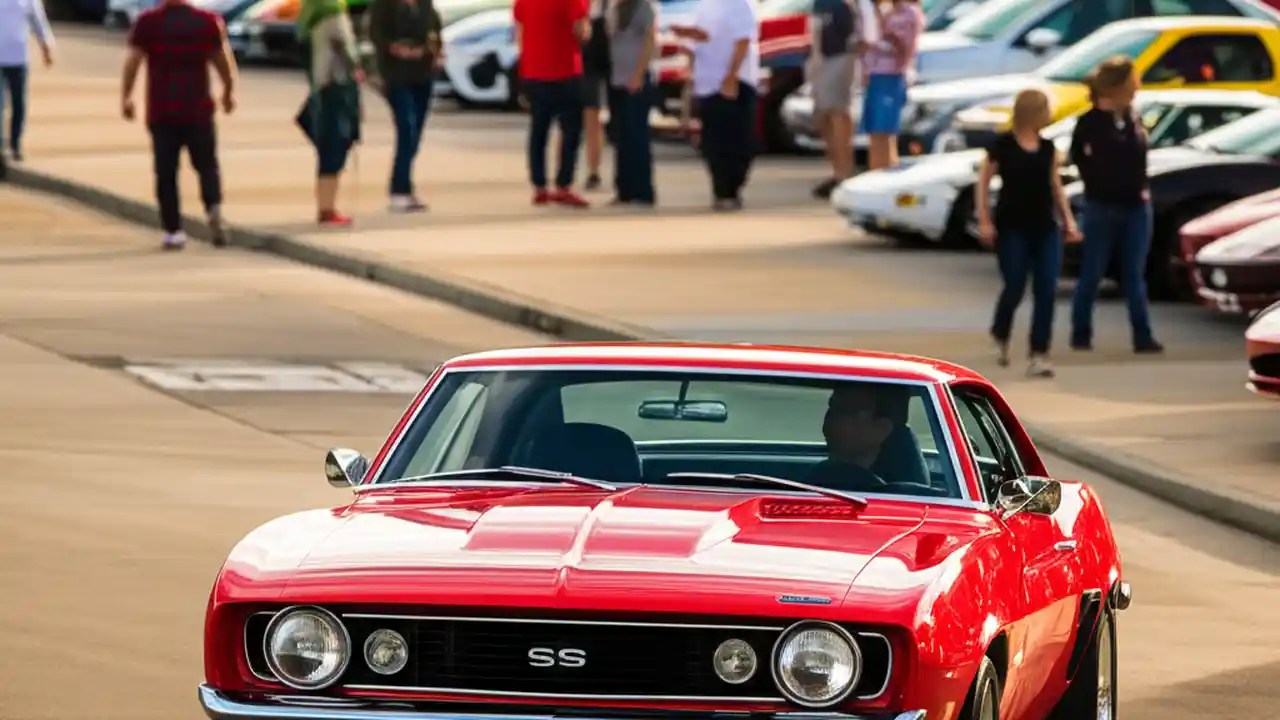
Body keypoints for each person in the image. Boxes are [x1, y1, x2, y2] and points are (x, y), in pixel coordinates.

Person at [975, 88, 1081, 379]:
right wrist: (984, 219)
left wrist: (1068, 221)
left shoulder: (1048, 148)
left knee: (1046, 290)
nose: (1048, 115)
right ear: (1032, 112)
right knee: (1015, 285)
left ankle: (1039, 352)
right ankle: (1000, 333)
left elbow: (1055, 186)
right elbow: (983, 181)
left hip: (1045, 227)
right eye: (1044, 109)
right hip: (1012, 226)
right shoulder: (1002, 145)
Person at [122, 0, 235, 250]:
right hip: (199, 110)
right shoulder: (207, 22)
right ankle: (213, 207)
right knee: (207, 165)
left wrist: (126, 96)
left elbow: (133, 61)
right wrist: (229, 91)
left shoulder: (149, 23)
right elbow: (222, 59)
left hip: (163, 112)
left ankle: (173, 231)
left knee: (166, 173)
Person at [1069, 56, 1163, 354]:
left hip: (1136, 207)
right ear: (1115, 86)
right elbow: (1079, 158)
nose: (1135, 89)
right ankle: (1081, 333)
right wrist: (1095, 184)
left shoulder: (1133, 118)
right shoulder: (1090, 122)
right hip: (1101, 207)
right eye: (1130, 84)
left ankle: (1143, 336)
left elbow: (1139, 157)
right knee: (1092, 271)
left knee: (1134, 274)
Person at [669, 0, 759, 211]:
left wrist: (732, 76)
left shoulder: (740, 4)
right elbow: (704, 36)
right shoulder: (705, 5)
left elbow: (743, 40)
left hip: (734, 83)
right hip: (708, 83)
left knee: (737, 142)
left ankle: (732, 189)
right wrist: (687, 36)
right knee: (712, 143)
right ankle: (720, 191)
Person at [513, 0, 592, 208]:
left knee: (539, 130)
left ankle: (539, 186)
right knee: (570, 131)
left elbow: (519, 29)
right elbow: (581, 31)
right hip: (565, 70)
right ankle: (563, 184)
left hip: (534, 70)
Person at [369, 0, 442, 212]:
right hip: (396, 75)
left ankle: (405, 186)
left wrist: (433, 50)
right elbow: (377, 34)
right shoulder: (384, 5)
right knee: (406, 127)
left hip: (422, 72)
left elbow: (434, 30)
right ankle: (399, 190)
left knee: (416, 131)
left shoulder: (425, 5)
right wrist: (395, 48)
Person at [298, 0, 365, 226]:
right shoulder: (333, 11)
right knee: (335, 146)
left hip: (320, 86)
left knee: (327, 146)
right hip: (336, 85)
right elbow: (346, 47)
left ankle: (325, 206)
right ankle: (327, 209)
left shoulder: (308, 13)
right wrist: (359, 67)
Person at [805, 383, 911, 492]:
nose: (830, 420)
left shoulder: (895, 495)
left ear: (881, 428)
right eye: (832, 408)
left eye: (843, 410)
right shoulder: (818, 475)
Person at [860, 0, 923, 171]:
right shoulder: (887, 10)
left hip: (891, 74)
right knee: (875, 130)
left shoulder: (909, 13)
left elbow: (906, 47)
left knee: (883, 130)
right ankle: (879, 169)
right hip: (875, 74)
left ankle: (880, 172)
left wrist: (886, 32)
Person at [606, 0, 657, 207]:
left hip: (636, 80)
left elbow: (649, 39)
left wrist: (639, 72)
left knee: (637, 136)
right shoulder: (615, 9)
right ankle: (624, 190)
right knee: (621, 136)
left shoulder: (643, 7)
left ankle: (643, 191)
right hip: (617, 79)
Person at [806, 0, 858, 199]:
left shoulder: (845, 6)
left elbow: (856, 35)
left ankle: (845, 173)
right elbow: (815, 31)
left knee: (837, 112)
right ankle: (837, 171)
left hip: (840, 57)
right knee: (823, 115)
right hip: (821, 59)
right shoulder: (820, 3)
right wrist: (814, 57)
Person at [0, 0, 53, 164]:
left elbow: (39, 23)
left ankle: (15, 145)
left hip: (19, 60)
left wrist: (46, 50)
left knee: (19, 105)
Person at [580, 0, 609, 191]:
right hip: (582, 57)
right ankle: (564, 172)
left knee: (593, 114)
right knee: (581, 115)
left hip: (603, 55)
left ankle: (593, 170)